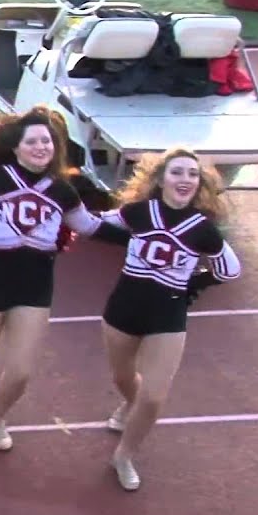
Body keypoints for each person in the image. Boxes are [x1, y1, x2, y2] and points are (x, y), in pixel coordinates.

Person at [0, 106, 128, 451]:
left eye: (48, 141)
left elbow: (90, 227)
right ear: (15, 146)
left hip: (34, 284)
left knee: (21, 369)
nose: (41, 147)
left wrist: (141, 233)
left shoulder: (63, 191)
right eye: (33, 141)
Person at [96, 147, 240, 491]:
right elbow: (94, 225)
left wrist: (196, 283)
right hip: (124, 308)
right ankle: (129, 404)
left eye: (192, 174)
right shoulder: (137, 213)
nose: (185, 179)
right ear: (160, 179)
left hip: (168, 313)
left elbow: (230, 270)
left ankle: (125, 454)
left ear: (200, 183)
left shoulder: (203, 229)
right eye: (177, 172)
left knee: (156, 395)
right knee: (123, 376)